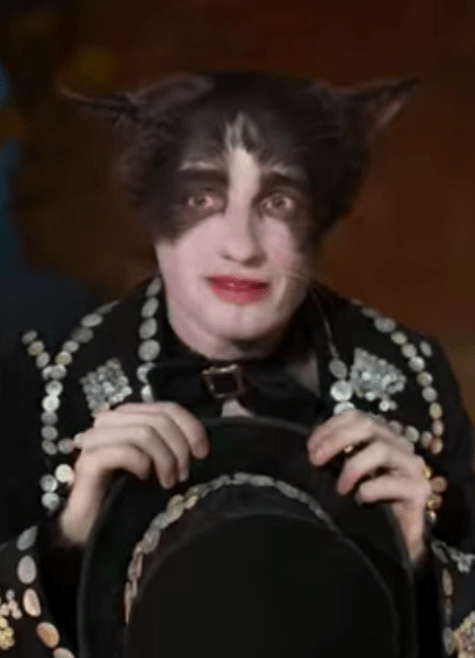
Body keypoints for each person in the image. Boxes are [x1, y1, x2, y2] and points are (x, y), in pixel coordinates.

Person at [0, 70, 473, 657]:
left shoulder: (414, 381)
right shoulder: (44, 381)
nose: (242, 246)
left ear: (320, 219)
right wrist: (65, 544)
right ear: (151, 211)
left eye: (279, 201)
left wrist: (421, 565)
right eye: (201, 198)